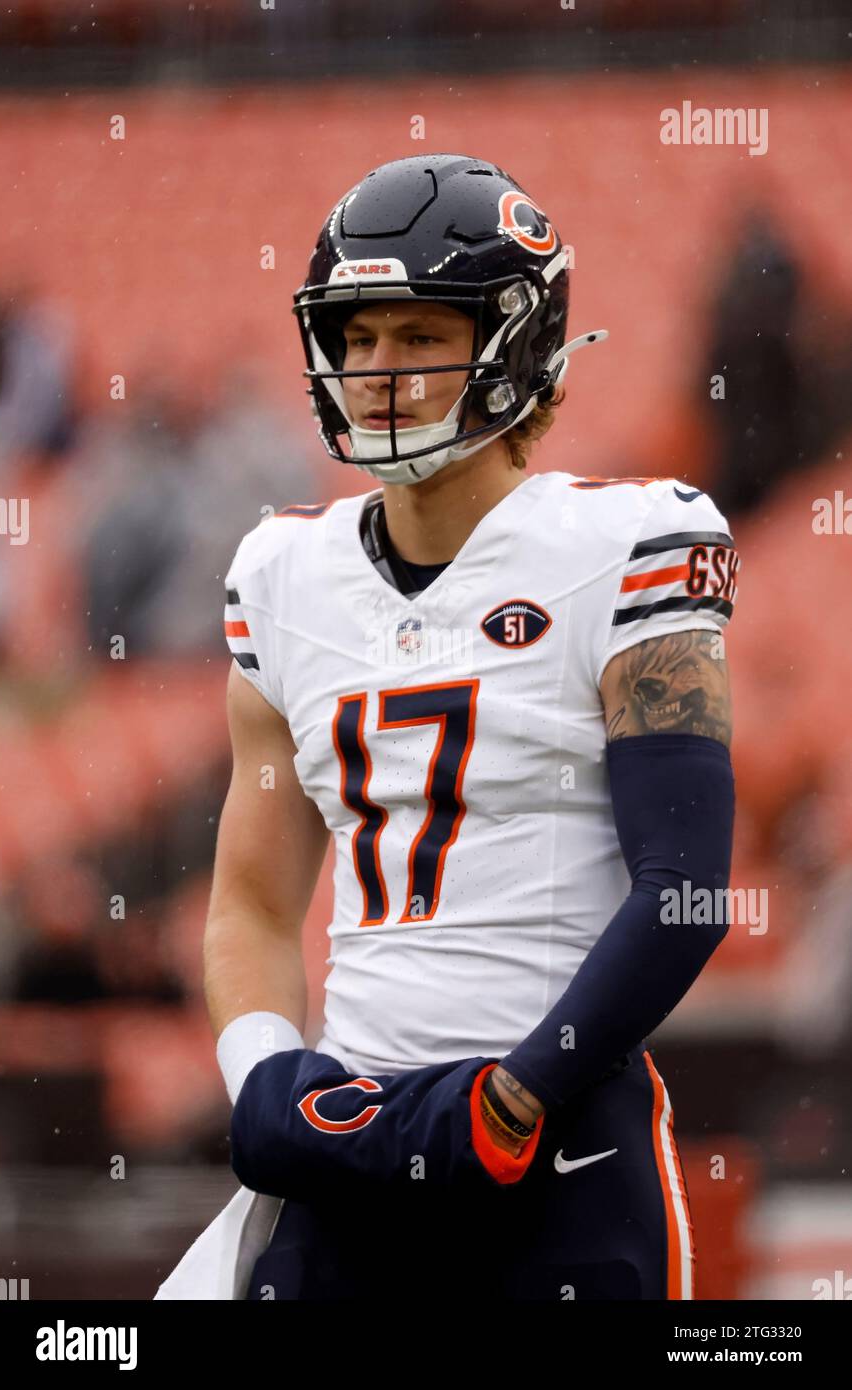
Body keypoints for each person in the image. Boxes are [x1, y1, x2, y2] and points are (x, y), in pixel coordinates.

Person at [156, 153, 739, 1301]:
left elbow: (683, 885)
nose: (379, 372)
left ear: (519, 343)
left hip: (559, 1146)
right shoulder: (282, 572)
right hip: (353, 1134)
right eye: (358, 337)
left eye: (420, 336)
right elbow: (254, 901)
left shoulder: (628, 543)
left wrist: (517, 1095)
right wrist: (267, 1078)